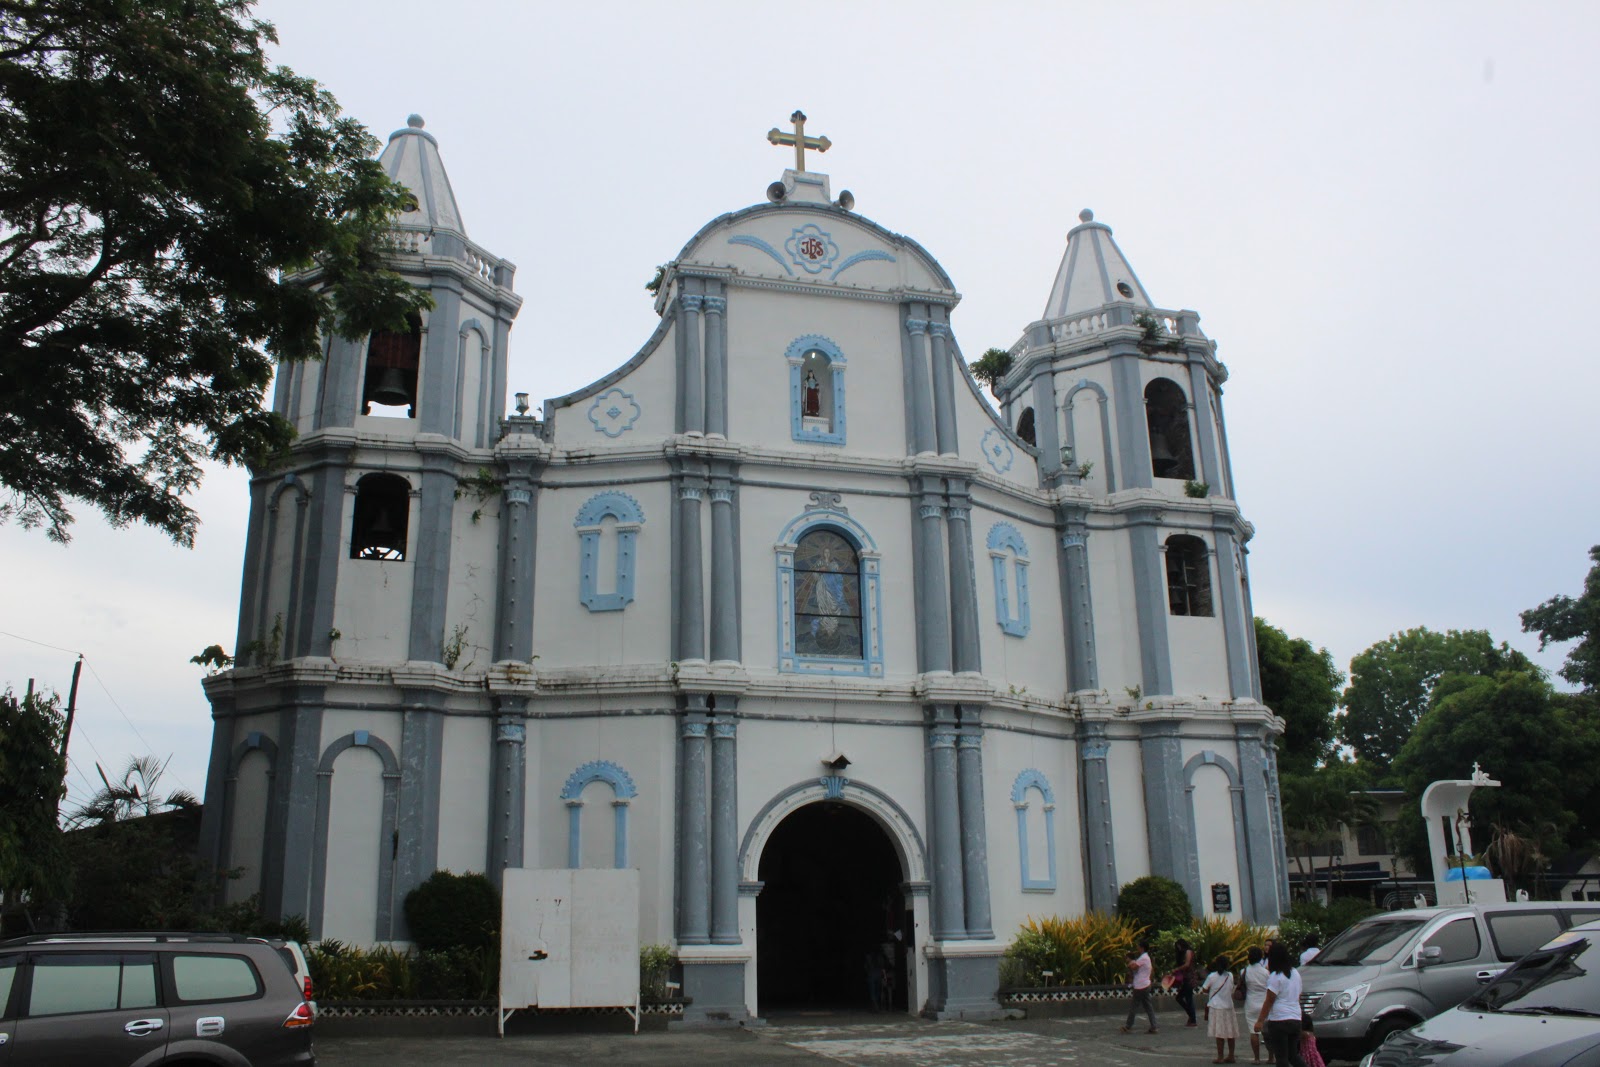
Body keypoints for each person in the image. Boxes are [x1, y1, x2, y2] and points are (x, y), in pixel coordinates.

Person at [1252, 942, 1306, 1067]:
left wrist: (1260, 1021)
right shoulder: (1295, 973)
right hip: (1296, 1018)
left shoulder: (1275, 976)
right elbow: (1298, 996)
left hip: (1279, 1019)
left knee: (1281, 1057)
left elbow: (1269, 1000)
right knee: (1293, 1055)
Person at [1199, 954, 1239, 1064]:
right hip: (1228, 1006)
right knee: (1230, 1032)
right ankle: (1231, 1055)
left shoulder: (1212, 976)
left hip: (1216, 1006)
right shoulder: (1230, 975)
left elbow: (1204, 989)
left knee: (1219, 1033)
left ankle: (1220, 1056)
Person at [1120, 939, 1158, 1034]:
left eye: (1138, 946)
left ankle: (1128, 1026)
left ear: (1142, 947)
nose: (1137, 948)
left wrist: (1131, 963)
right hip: (1145, 984)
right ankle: (1153, 1026)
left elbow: (1133, 967)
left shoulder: (1143, 958)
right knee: (1148, 1006)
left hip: (1140, 985)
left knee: (1134, 1006)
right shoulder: (1145, 957)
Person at [1241, 945, 1271, 1063]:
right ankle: (1271, 1057)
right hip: (1265, 1003)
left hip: (1251, 1003)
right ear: (1261, 957)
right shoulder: (1266, 972)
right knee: (1268, 1032)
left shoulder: (1244, 971)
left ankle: (1257, 1058)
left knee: (1254, 1032)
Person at [1173, 937, 1198, 1027]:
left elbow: (1187, 964)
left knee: (1188, 998)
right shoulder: (1183, 953)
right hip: (1185, 978)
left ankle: (1193, 1018)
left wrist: (1177, 969)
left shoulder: (1188, 951)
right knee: (1181, 998)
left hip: (1189, 977)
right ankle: (1191, 1016)